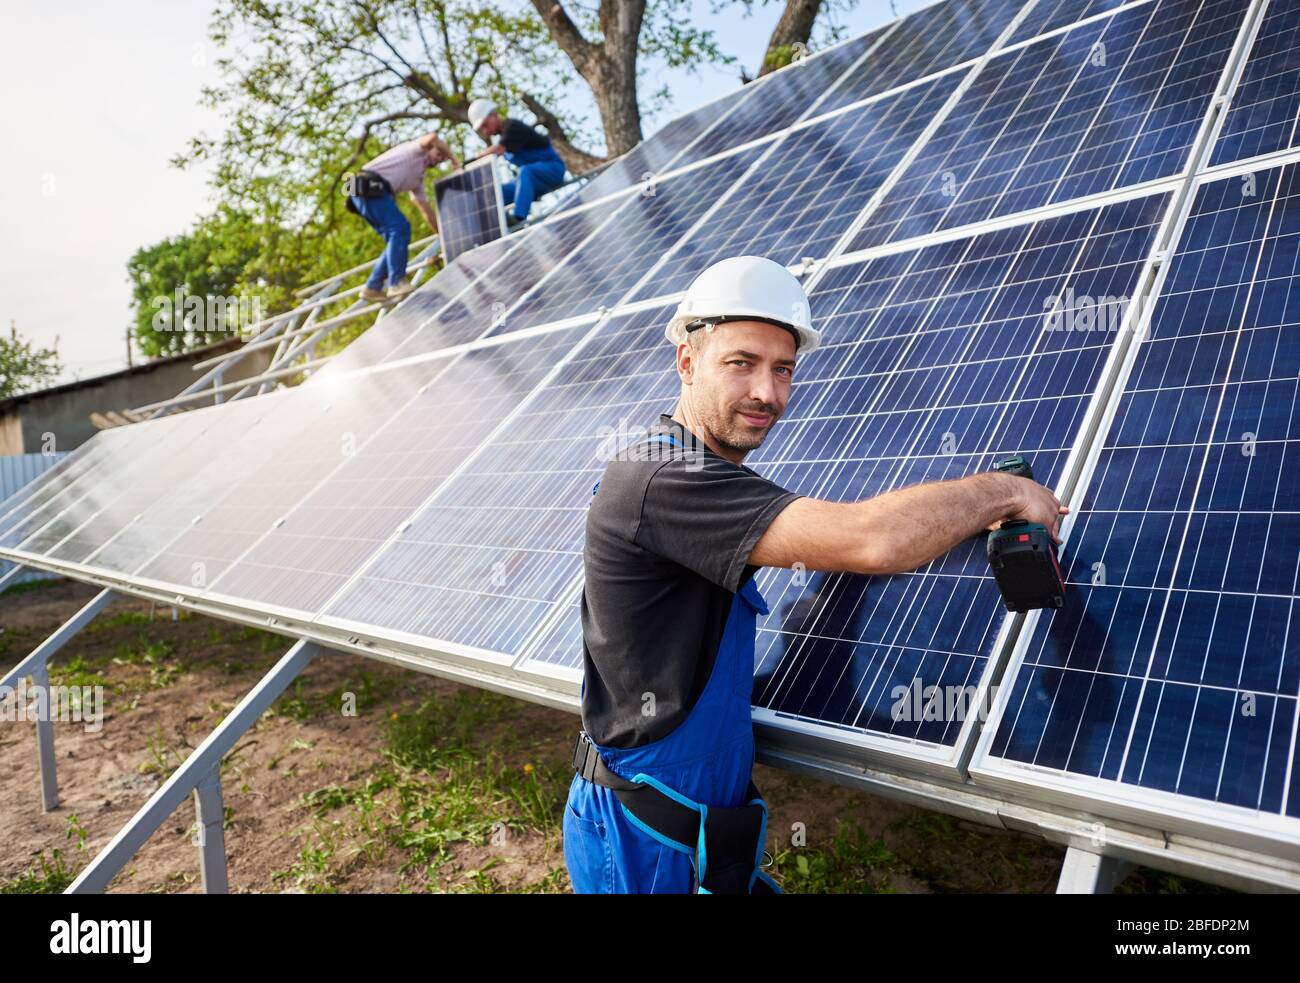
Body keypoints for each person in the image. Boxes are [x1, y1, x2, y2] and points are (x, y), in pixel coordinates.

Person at [564, 255, 1067, 894]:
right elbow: (872, 539)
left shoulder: (698, 471)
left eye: (783, 370)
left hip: (695, 826)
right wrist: (1001, 493)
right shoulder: (664, 481)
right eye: (740, 363)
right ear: (687, 363)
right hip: (645, 838)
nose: (767, 394)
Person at [349, 134, 458, 302]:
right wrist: (453, 160)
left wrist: (443, 236)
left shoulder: (418, 179)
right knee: (400, 228)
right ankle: (397, 282)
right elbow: (433, 138)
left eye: (442, 159)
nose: (439, 160)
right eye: (439, 154)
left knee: (395, 240)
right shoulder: (415, 150)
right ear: (431, 149)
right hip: (365, 184)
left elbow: (425, 210)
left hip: (364, 192)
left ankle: (373, 286)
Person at [467, 99, 566, 225]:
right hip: (533, 183)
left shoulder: (512, 127)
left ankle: (518, 218)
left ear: (494, 115)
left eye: (485, 125)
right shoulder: (504, 138)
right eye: (482, 129)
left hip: (553, 170)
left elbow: (498, 150)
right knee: (497, 192)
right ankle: (498, 222)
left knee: (526, 171)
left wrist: (475, 160)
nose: (486, 132)